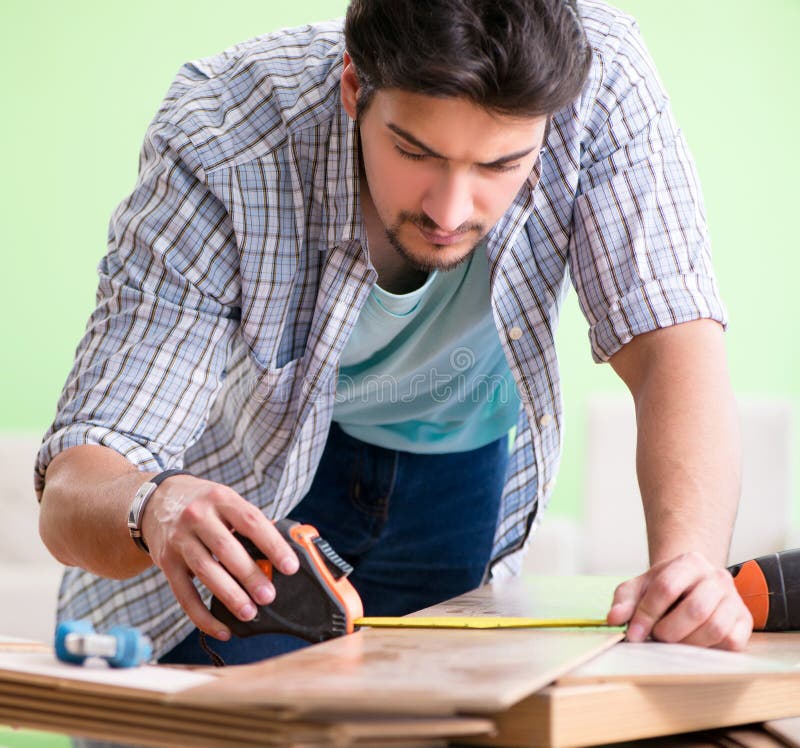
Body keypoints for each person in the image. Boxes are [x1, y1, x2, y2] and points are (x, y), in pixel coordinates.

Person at [36, 0, 752, 665]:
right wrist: (153, 507)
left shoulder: (602, 80)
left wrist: (688, 566)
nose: (450, 210)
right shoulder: (223, 135)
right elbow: (76, 486)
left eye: (501, 165)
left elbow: (672, 346)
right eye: (415, 153)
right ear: (354, 85)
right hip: (253, 499)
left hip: (459, 476)